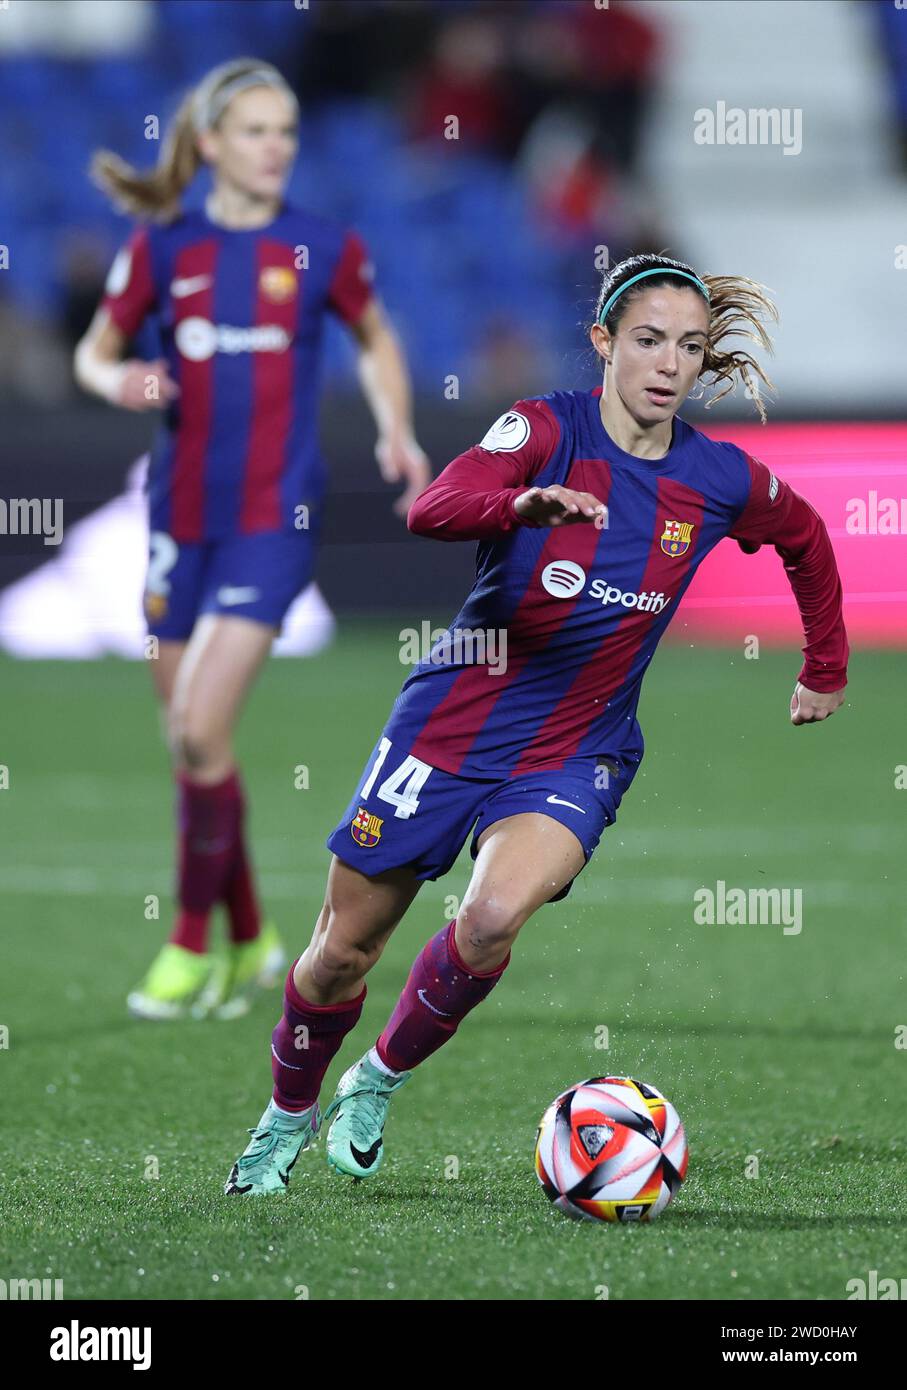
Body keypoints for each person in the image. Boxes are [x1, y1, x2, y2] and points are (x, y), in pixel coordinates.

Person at [224, 252, 848, 1195]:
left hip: (578, 745)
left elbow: (803, 535)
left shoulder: (718, 479)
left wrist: (823, 667)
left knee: (489, 920)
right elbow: (435, 507)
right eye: (646, 341)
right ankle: (286, 1112)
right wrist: (521, 502)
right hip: (449, 726)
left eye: (687, 347)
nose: (667, 364)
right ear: (603, 343)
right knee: (338, 955)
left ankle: (378, 1079)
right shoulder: (545, 429)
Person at [73, 58, 429, 1021]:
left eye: (288, 132)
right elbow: (95, 351)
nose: (278, 147)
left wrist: (397, 429)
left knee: (195, 729)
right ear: (213, 144)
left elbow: (378, 340)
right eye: (259, 130)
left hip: (271, 522)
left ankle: (190, 949)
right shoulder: (162, 249)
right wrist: (121, 383)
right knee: (195, 743)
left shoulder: (318, 246)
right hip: (175, 524)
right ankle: (256, 939)